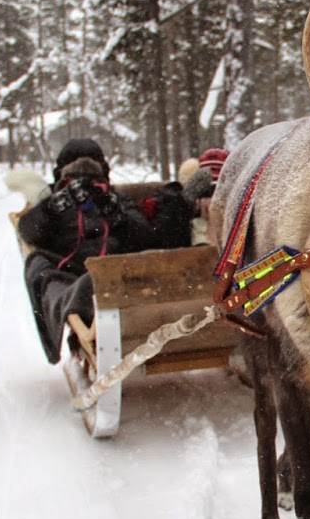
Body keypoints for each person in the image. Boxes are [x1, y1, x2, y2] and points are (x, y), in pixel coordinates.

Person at [18, 138, 195, 364]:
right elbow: (29, 232)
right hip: (73, 272)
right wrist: (52, 208)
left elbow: (146, 238)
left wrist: (116, 213)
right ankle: (86, 316)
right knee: (63, 278)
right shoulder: (54, 206)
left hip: (118, 274)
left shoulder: (116, 201)